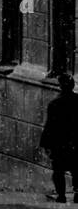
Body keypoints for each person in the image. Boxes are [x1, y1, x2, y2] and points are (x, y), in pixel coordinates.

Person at [40, 73, 78, 202]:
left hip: (60, 142)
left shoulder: (55, 103)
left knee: (58, 170)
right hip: (75, 141)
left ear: (60, 86)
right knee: (77, 169)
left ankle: (61, 195)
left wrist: (45, 143)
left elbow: (50, 125)